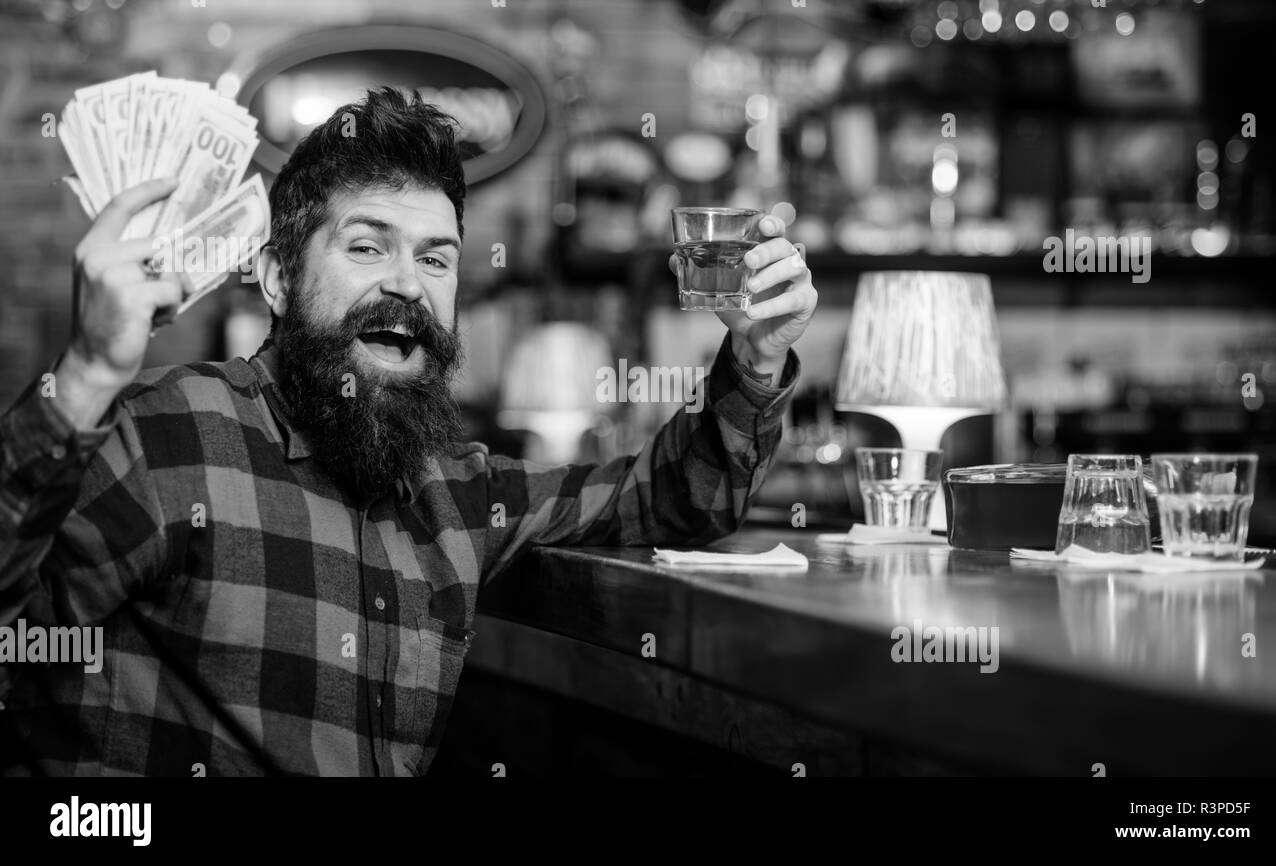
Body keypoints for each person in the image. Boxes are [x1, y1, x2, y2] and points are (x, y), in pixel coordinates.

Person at [0, 87, 818, 776]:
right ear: (279, 278)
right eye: (367, 246)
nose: (406, 284)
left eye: (435, 259)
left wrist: (755, 355)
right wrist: (85, 376)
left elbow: (677, 496)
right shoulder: (168, 435)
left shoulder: (460, 491)